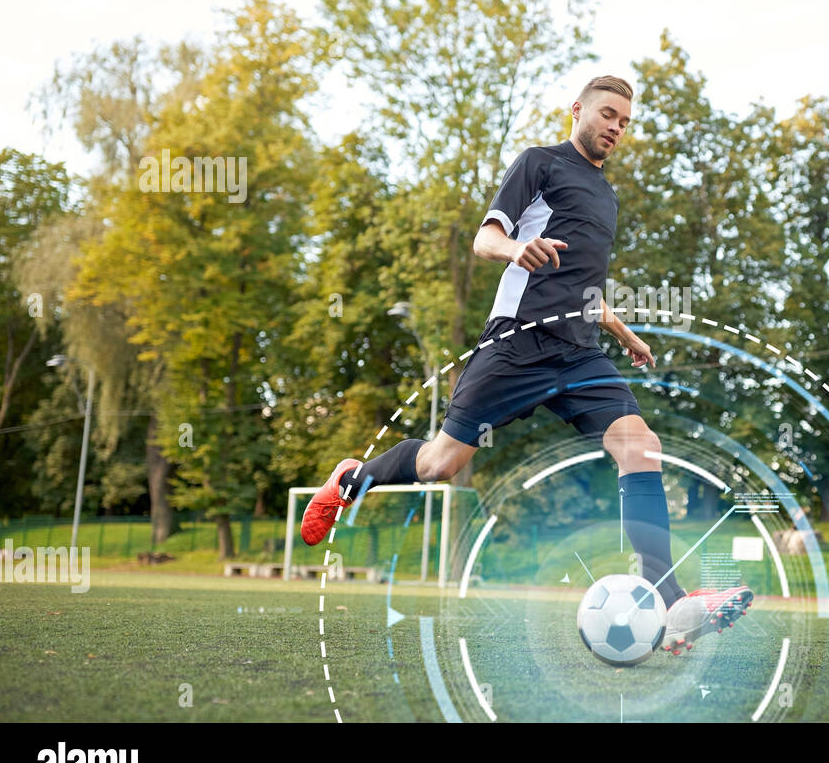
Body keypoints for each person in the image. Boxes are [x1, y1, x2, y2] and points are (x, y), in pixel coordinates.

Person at [299, 75, 751, 655]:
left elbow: (586, 285)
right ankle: (352, 479)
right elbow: (486, 240)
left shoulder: (607, 196)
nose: (616, 127)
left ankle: (667, 597)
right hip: (517, 344)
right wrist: (516, 248)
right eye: (607, 114)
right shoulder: (538, 164)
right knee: (440, 463)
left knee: (641, 446)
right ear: (578, 111)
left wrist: (622, 332)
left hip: (580, 353)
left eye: (624, 122)